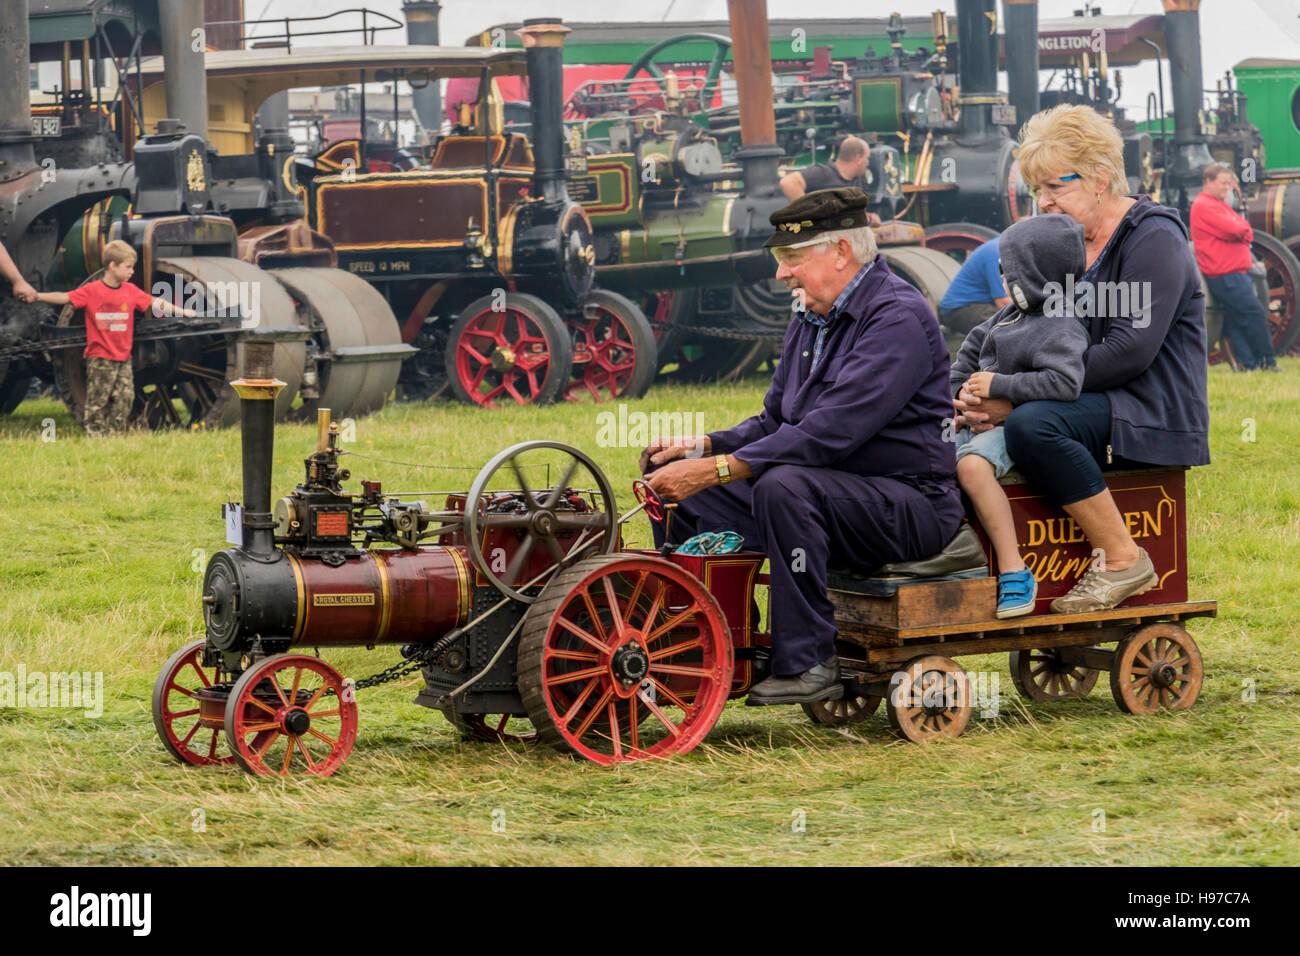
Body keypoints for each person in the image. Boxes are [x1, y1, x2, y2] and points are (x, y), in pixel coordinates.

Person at [640, 187, 963, 705]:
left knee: (782, 485)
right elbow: (776, 419)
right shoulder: (811, 314)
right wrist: (701, 447)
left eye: (792, 258)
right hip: (838, 491)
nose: (781, 274)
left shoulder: (897, 316)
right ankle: (715, 638)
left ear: (841, 252)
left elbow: (831, 432)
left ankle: (811, 658)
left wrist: (718, 467)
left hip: (911, 504)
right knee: (687, 484)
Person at [956, 104, 1209, 614]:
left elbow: (1128, 353)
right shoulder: (1067, 245)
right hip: (1084, 394)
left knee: (1033, 425)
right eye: (1037, 191)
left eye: (1055, 188)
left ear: (1099, 177)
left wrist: (1011, 389)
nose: (1044, 203)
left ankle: (1122, 558)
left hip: (1150, 403)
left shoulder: (1153, 236)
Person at [950, 215, 1089, 618]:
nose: (1001, 275)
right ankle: (952, 557)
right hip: (977, 420)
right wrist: (962, 400)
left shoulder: (1062, 324)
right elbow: (962, 365)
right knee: (923, 453)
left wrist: (1000, 387)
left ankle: (1014, 569)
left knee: (973, 469)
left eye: (1007, 267)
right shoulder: (1003, 318)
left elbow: (1065, 383)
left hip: (1017, 428)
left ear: (1035, 270)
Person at [36, 240, 196, 435]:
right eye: (128, 267)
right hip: (100, 358)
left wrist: (181, 312)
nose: (132, 272)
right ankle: (96, 435)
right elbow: (65, 297)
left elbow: (154, 302)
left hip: (123, 359)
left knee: (125, 398)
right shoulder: (92, 291)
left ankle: (116, 433)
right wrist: (37, 296)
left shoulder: (130, 292)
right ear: (112, 266)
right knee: (98, 400)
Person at [1190, 163, 1278, 372]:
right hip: (1225, 273)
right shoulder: (1204, 205)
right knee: (1254, 313)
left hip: (1232, 272)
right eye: (1222, 183)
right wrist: (1243, 230)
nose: (1226, 187)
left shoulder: (1217, 204)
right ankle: (1267, 360)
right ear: (1208, 182)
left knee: (1237, 320)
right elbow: (1238, 228)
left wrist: (1242, 229)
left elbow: (1241, 227)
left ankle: (1248, 364)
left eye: (1229, 183)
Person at [937, 236, 1012, 335]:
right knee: (1009, 328)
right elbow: (1002, 301)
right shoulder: (997, 253)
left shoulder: (1008, 246)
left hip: (984, 303)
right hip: (960, 309)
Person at [780, 136, 871, 201]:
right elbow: (788, 183)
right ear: (858, 158)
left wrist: (869, 218)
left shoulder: (857, 181)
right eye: (867, 158)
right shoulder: (824, 173)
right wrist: (809, 215)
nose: (868, 163)